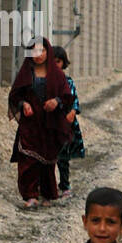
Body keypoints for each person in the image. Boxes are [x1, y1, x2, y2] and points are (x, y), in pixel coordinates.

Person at [8, 37, 72, 209]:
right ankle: (30, 195)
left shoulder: (57, 74)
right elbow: (15, 95)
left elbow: (67, 96)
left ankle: (47, 194)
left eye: (42, 51)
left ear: (47, 52)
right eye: (34, 51)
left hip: (50, 123)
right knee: (28, 159)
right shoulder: (25, 72)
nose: (38, 55)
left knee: (48, 160)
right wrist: (24, 104)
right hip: (30, 124)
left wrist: (56, 102)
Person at [50, 45, 85, 200]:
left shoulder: (68, 82)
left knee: (63, 157)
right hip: (49, 125)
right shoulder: (45, 83)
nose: (55, 65)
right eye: (52, 62)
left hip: (64, 125)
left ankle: (64, 185)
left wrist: (72, 112)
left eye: (58, 61)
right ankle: (47, 187)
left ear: (63, 63)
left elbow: (75, 101)